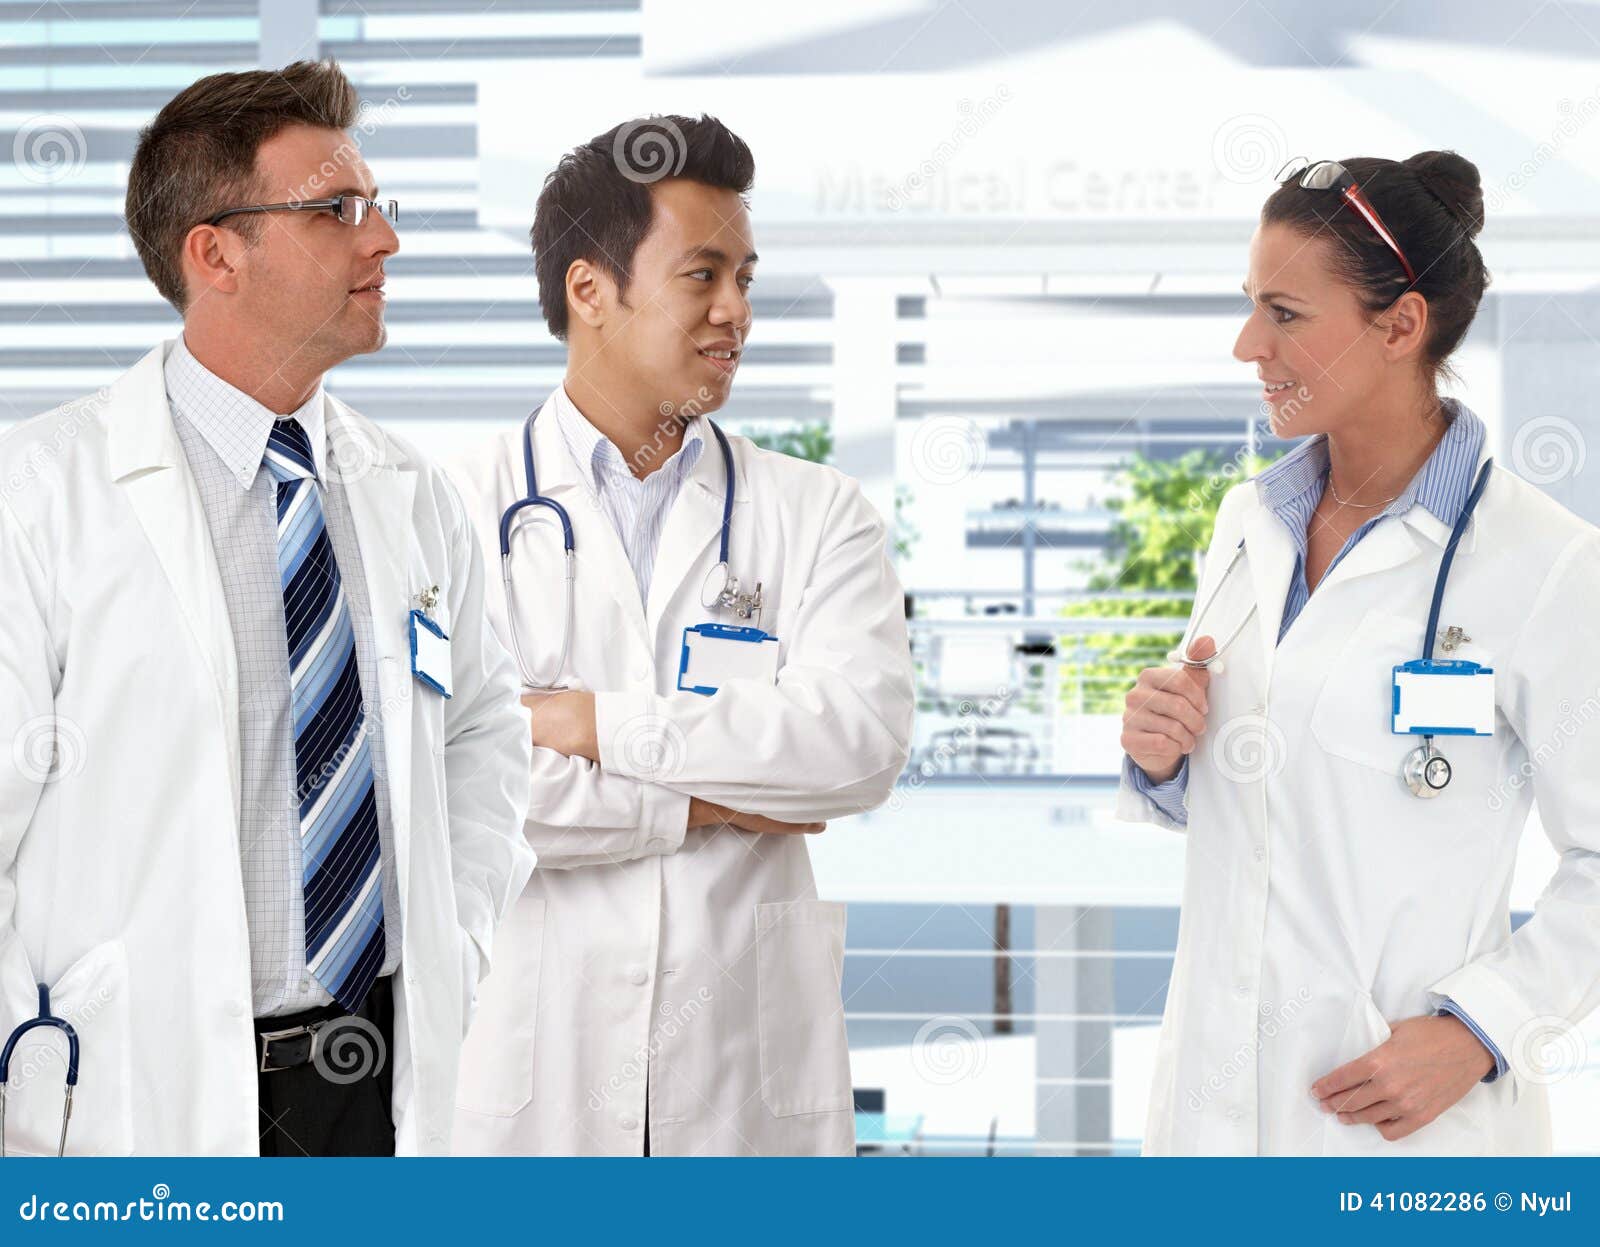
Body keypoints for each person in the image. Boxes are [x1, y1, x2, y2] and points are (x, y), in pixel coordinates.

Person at [0, 60, 534, 1157]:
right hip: (134, 1092)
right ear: (215, 254)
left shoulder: (410, 492)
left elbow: (484, 732)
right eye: (338, 211)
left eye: (378, 206)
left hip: (378, 1081)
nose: (384, 240)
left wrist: (457, 938)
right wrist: (29, 1054)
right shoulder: (39, 493)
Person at [443, 115, 915, 1156]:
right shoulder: (452, 511)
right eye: (703, 274)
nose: (736, 310)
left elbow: (855, 747)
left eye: (744, 277)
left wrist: (591, 723)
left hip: (744, 1089)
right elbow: (454, 786)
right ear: (589, 289)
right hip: (533, 1092)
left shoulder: (818, 512)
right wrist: (709, 799)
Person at [1119, 151, 1600, 1156]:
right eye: (1251, 305)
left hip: (1400, 1131)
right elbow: (1265, 801)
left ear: (1400, 325)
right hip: (1208, 1116)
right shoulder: (1248, 520)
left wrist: (1483, 1029)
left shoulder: (1545, 562)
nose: (1248, 345)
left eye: (1285, 314)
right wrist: (1162, 752)